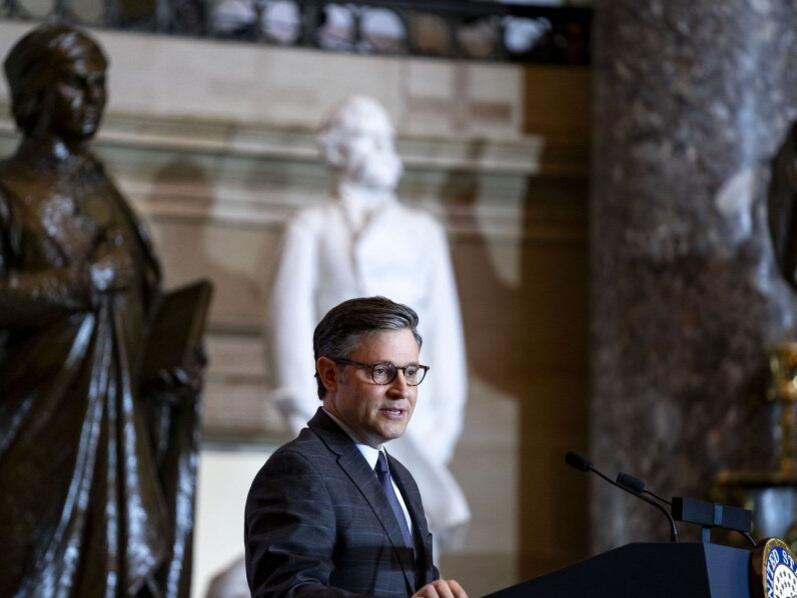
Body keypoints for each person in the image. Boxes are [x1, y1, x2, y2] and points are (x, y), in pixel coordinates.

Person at [0, 23, 201, 597]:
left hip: (120, 414)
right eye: (76, 83)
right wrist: (86, 280)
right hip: (37, 417)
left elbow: (145, 301)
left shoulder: (103, 189)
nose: (93, 97)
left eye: (100, 83)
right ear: (36, 93)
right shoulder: (9, 190)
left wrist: (172, 362)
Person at [266, 96, 469, 545]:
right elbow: (288, 326)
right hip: (346, 402)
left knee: (411, 541)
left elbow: (446, 334)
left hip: (416, 419)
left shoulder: (423, 231)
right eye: (364, 136)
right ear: (336, 149)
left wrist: (444, 424)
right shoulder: (311, 226)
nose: (379, 146)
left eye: (384, 137)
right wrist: (301, 409)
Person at [246, 296, 469, 598]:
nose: (402, 390)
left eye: (410, 372)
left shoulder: (402, 477)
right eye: (381, 371)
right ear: (330, 374)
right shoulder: (298, 469)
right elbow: (287, 592)